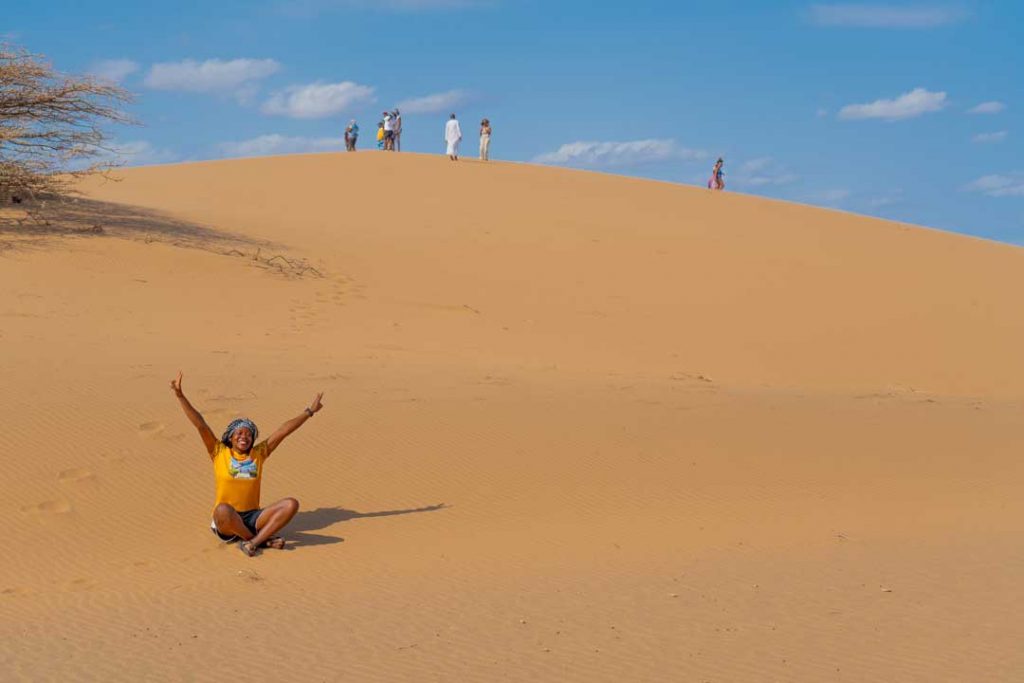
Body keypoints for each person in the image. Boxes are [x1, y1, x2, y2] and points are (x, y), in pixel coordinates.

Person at [170, 371, 324, 557]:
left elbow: (283, 431)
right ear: (231, 437)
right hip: (227, 521)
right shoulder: (218, 452)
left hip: (253, 517)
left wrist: (309, 412)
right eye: (240, 433)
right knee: (223, 509)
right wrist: (180, 396)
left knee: (291, 504)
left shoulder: (258, 453)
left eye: (248, 434)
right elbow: (200, 425)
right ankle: (262, 540)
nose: (244, 436)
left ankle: (254, 542)